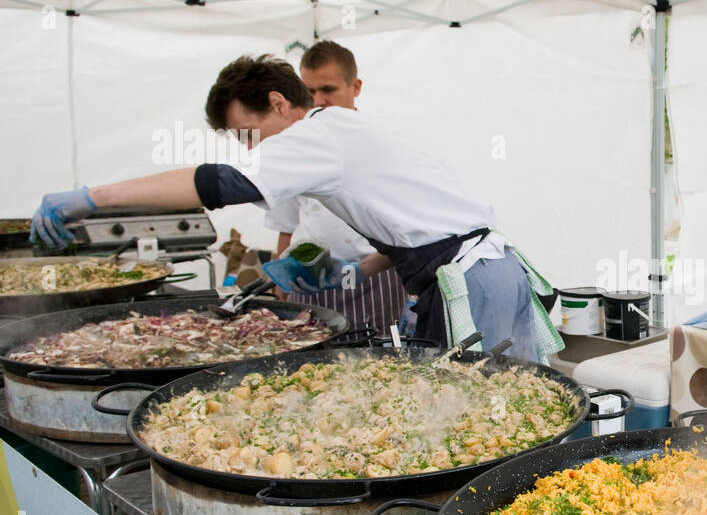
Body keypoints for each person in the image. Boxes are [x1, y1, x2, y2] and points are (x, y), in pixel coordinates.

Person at [31, 54, 557, 362]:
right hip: (496, 268)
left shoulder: (316, 133)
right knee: (507, 400)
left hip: (470, 281)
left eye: (248, 133)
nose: (251, 150)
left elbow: (219, 183)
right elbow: (421, 227)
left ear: (280, 105)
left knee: (477, 415)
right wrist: (351, 268)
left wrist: (92, 197)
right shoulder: (347, 130)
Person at [262, 40, 409, 333]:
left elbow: (406, 222)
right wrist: (281, 281)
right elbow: (287, 223)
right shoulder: (296, 147)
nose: (318, 100)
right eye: (310, 91)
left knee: (377, 360)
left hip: (373, 276)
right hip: (310, 277)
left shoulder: (381, 142)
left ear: (355, 86)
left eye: (328, 90)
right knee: (311, 359)